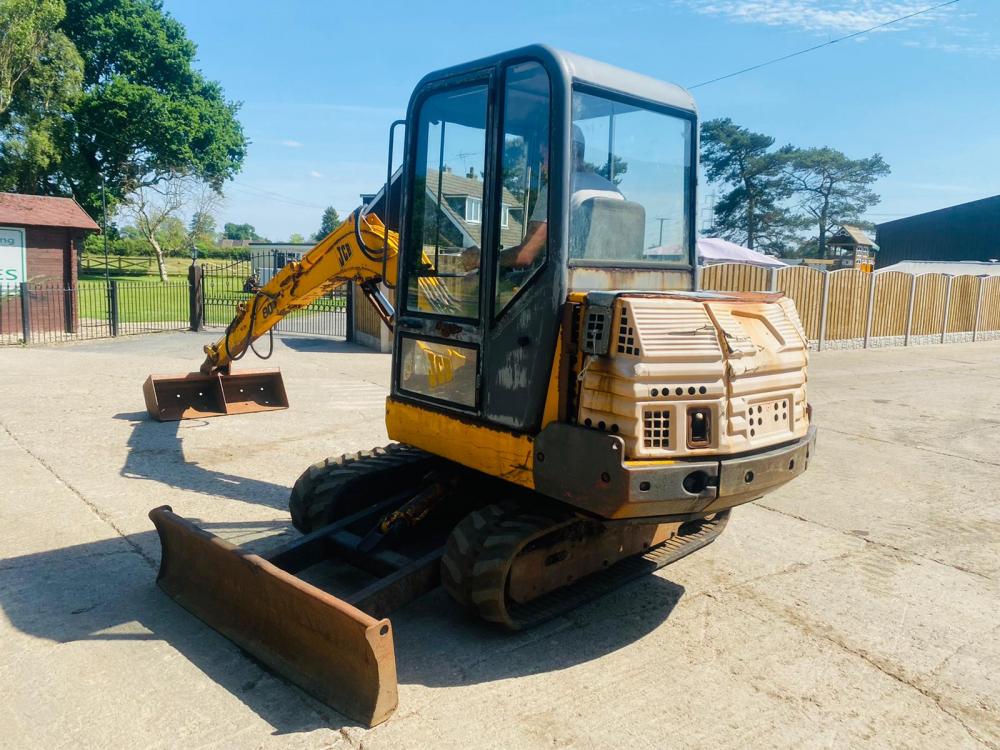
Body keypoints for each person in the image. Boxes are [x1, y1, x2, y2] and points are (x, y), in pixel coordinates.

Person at [461, 124, 622, 273]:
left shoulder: (559, 188)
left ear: (561, 154)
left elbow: (525, 256)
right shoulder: (612, 190)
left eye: (544, 158)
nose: (543, 167)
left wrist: (480, 259)